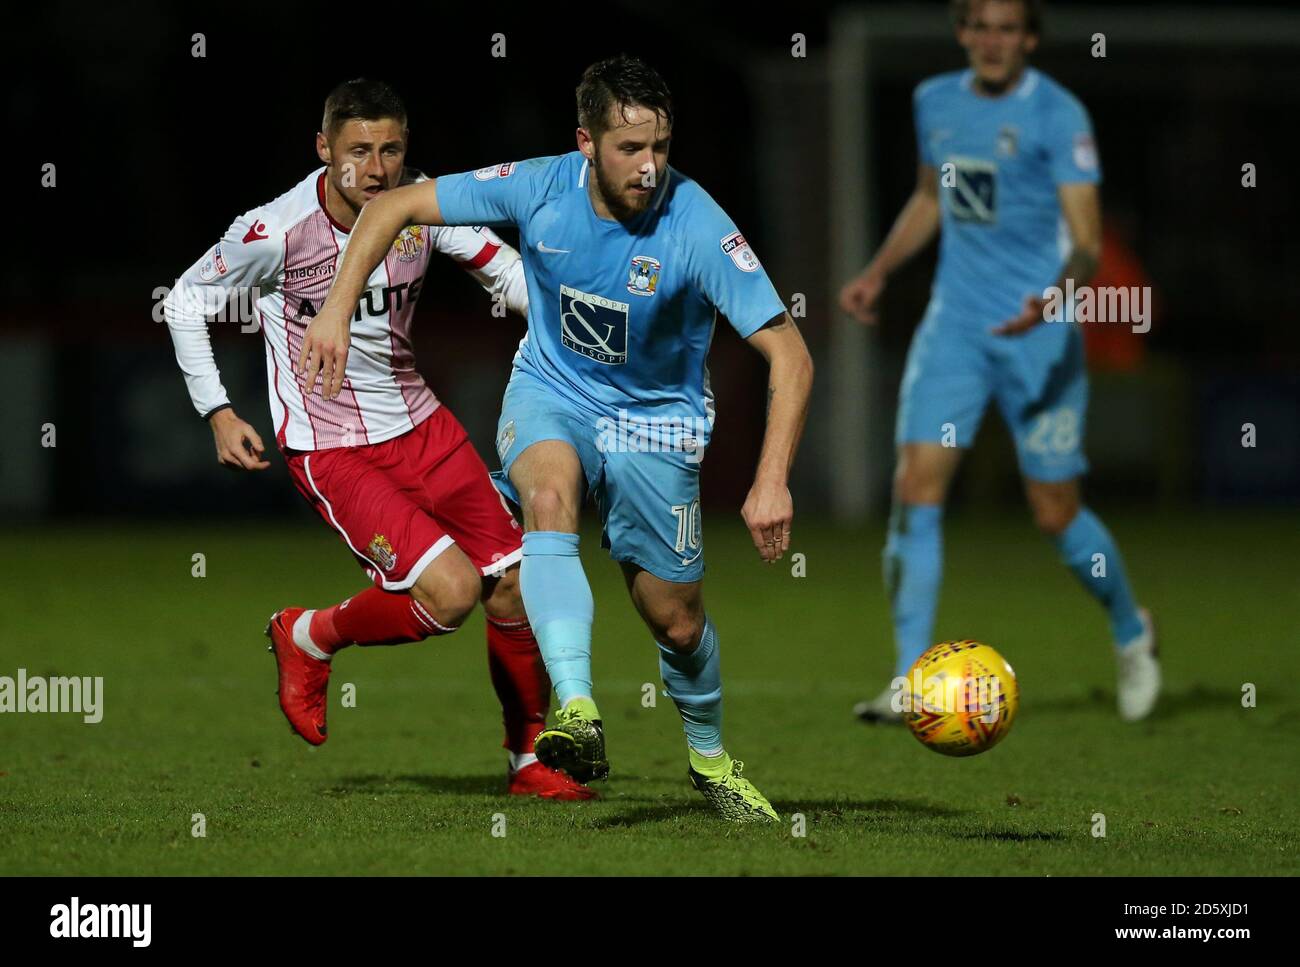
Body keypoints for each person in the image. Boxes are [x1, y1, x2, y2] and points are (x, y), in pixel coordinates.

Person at [300, 57, 814, 822]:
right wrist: (338, 307)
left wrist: (771, 479)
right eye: (629, 149)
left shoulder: (697, 223)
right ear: (585, 142)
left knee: (675, 617)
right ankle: (575, 707)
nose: (649, 168)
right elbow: (392, 207)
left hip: (657, 420)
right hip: (554, 391)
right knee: (546, 497)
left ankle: (709, 757)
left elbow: (790, 354)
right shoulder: (538, 186)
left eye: (661, 148)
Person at [163, 78, 592, 800]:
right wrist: (219, 411)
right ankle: (309, 635)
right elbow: (183, 301)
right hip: (331, 445)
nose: (376, 166)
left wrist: (576, 321)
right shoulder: (275, 231)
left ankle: (528, 762)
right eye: (358, 149)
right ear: (324, 149)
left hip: (422, 424)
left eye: (391, 149)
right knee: (452, 594)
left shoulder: (420, 204)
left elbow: (504, 270)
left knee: (515, 583)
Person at [839, 0, 1159, 723]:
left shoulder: (1060, 114)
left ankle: (1132, 632)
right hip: (954, 329)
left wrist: (1055, 298)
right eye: (978, 25)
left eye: (1007, 27)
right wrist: (880, 270)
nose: (991, 40)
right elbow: (932, 195)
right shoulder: (935, 101)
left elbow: (1083, 240)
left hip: (1038, 334)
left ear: (1030, 38)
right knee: (915, 486)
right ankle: (910, 676)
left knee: (1055, 511)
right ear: (960, 32)